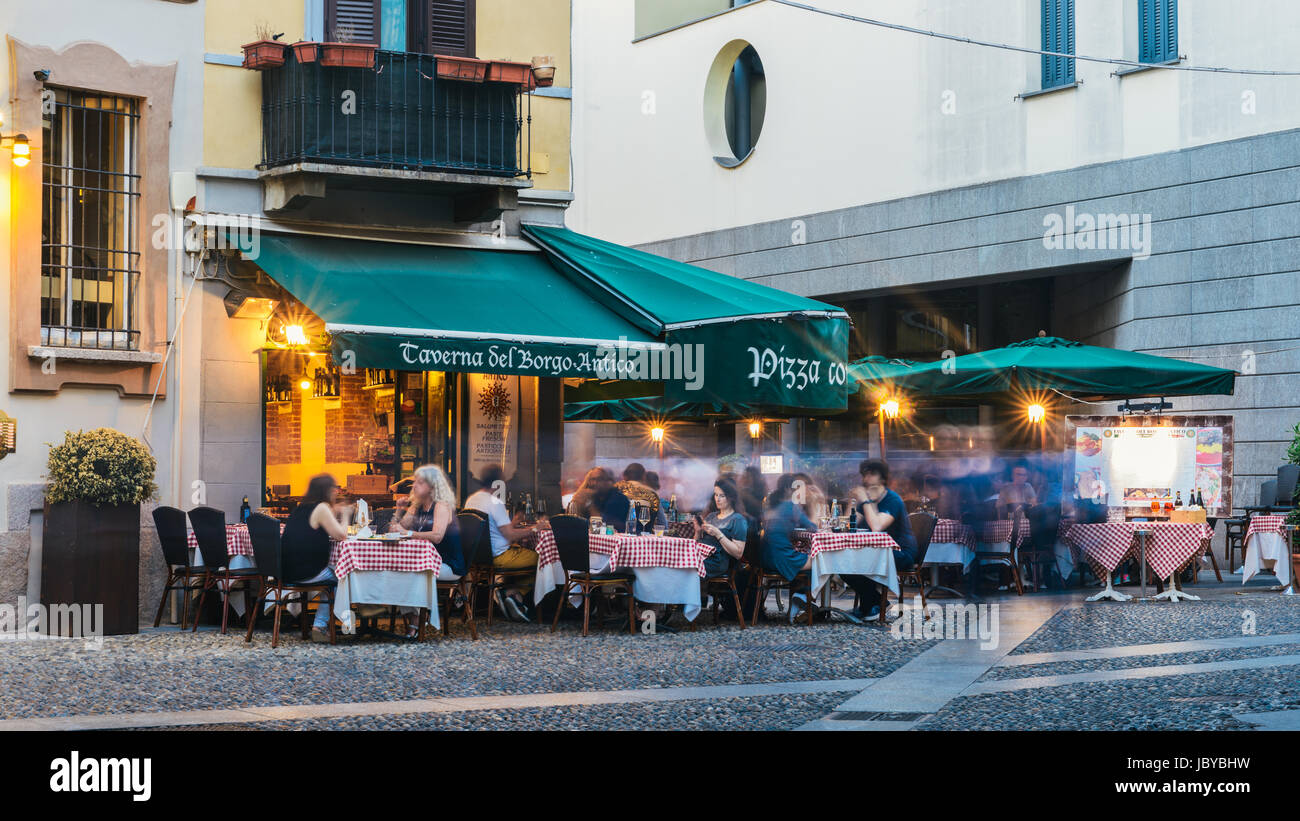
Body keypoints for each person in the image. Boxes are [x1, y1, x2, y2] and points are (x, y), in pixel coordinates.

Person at [844, 459, 919, 621]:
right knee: (842, 561)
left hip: (900, 551)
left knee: (858, 561)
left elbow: (877, 525)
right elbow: (848, 526)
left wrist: (865, 501)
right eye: (864, 474)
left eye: (872, 474)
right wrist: (852, 503)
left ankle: (870, 604)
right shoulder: (866, 500)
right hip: (873, 551)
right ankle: (876, 602)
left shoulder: (892, 499)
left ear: (883, 478)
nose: (866, 478)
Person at [281, 474, 350, 643]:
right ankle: (320, 625)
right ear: (327, 491)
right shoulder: (321, 508)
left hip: (287, 570)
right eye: (334, 490)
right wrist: (347, 514)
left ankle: (326, 624)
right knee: (343, 577)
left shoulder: (301, 508)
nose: (336, 493)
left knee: (337, 574)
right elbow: (341, 535)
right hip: (307, 571)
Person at [465, 464, 538, 623]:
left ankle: (510, 594)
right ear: (498, 483)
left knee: (522, 557)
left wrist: (513, 522)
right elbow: (510, 536)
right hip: (499, 557)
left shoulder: (472, 500)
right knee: (541, 560)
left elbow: (494, 531)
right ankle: (513, 593)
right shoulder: (494, 502)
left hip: (477, 558)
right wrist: (534, 529)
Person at [760, 476, 818, 623]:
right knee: (820, 560)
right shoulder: (790, 506)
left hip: (766, 557)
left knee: (810, 558)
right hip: (781, 557)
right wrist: (815, 504)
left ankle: (801, 596)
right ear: (789, 489)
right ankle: (802, 596)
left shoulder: (772, 504)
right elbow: (812, 527)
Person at [696, 477, 749, 577]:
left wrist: (718, 533)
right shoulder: (711, 516)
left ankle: (696, 592)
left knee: (689, 566)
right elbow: (698, 543)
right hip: (702, 556)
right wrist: (698, 532)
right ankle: (696, 592)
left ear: (731, 497)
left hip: (719, 562)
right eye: (716, 495)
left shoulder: (737, 519)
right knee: (680, 562)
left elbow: (738, 553)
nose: (717, 499)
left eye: (722, 496)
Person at [566, 467, 632, 531]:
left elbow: (602, 526)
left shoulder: (617, 499)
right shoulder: (595, 497)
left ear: (608, 482)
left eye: (599, 479)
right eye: (592, 479)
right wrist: (578, 503)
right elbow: (576, 523)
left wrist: (590, 505)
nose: (594, 483)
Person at [616, 462, 667, 532]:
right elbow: (663, 523)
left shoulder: (616, 490)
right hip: (644, 540)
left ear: (625, 476)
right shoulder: (652, 494)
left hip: (617, 537)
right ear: (643, 476)